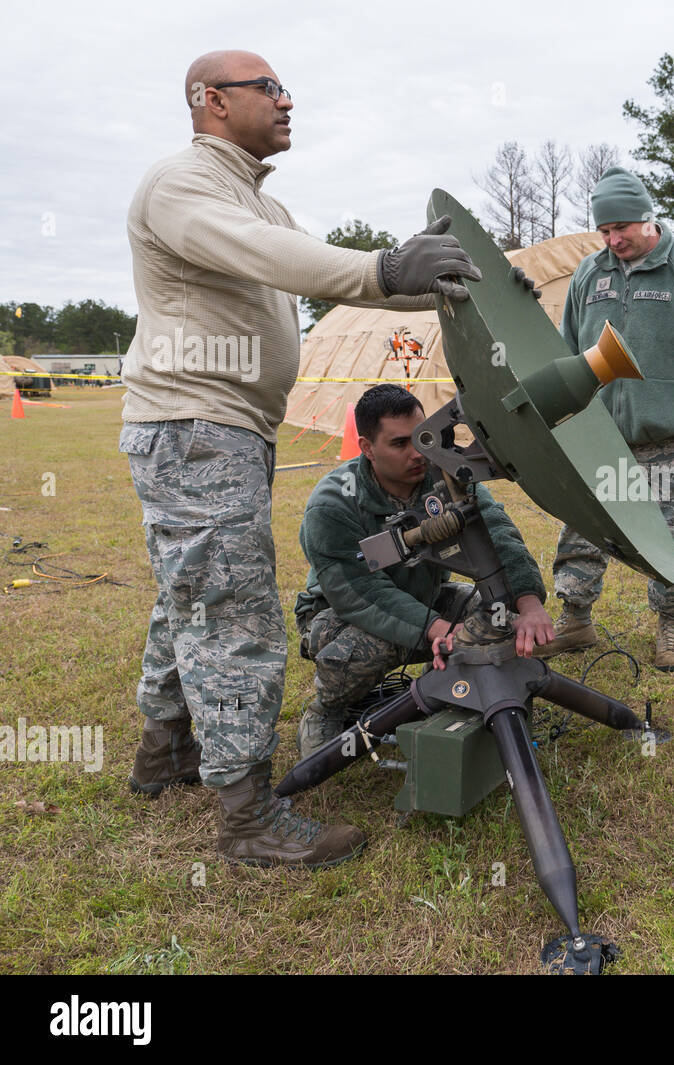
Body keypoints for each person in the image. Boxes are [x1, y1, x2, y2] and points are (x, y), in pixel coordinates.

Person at [122, 50, 483, 870]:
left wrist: (442, 282)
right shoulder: (183, 186)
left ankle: (166, 749)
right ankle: (247, 815)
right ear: (211, 100)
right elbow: (277, 259)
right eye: (270, 89)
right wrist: (385, 264)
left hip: (224, 428)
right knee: (231, 610)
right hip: (195, 423)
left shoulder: (259, 202)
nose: (289, 102)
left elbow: (344, 280)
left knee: (190, 590)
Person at [538, 167, 674, 671]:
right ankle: (575, 616)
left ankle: (671, 624)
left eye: (622, 230)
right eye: (605, 232)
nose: (614, 240)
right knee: (583, 526)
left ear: (647, 219)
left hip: (672, 435)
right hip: (599, 431)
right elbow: (569, 348)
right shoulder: (590, 273)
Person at [294, 384, 553, 755]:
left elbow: (496, 530)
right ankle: (326, 710)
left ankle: (453, 694)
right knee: (374, 644)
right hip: (338, 615)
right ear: (367, 447)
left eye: (419, 438)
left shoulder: (444, 475)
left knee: (498, 614)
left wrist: (528, 603)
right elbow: (362, 594)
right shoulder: (333, 503)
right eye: (399, 444)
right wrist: (443, 631)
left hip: (426, 598)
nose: (416, 453)